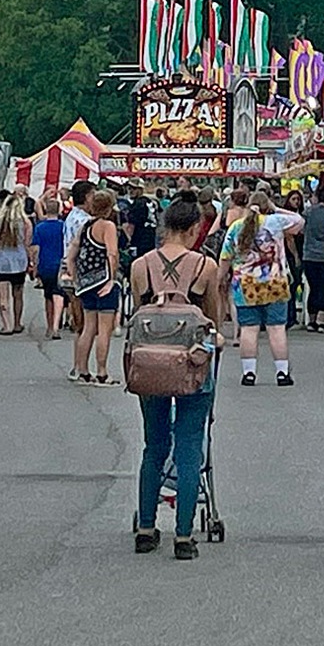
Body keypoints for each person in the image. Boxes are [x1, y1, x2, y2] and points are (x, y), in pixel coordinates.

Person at [129, 193, 226, 561]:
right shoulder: (205, 267)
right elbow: (213, 318)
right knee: (189, 445)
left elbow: (139, 311)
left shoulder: (141, 266)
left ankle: (146, 526)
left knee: (154, 446)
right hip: (192, 364)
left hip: (150, 364)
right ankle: (184, 535)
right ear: (191, 229)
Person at [221, 189, 304, 387]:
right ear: (268, 206)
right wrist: (276, 209)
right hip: (275, 284)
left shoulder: (236, 227)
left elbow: (225, 257)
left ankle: (249, 373)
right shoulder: (275, 222)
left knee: (249, 329)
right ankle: (282, 373)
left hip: (246, 286)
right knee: (277, 329)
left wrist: (220, 278)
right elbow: (299, 220)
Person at [67, 188, 124, 385]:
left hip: (86, 283)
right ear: (109, 208)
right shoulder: (108, 226)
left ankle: (82, 369)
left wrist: (75, 276)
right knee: (104, 329)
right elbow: (112, 253)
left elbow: (72, 252)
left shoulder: (85, 226)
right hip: (103, 281)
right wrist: (111, 279)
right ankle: (102, 371)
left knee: (88, 327)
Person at [0, 193, 32, 335]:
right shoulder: (25, 223)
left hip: (0, 262)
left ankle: (7, 325)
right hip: (18, 262)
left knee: (3, 296)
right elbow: (27, 244)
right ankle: (17, 323)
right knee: (18, 294)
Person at [300, 185, 324, 333]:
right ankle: (321, 321)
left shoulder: (308, 212)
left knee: (314, 288)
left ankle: (311, 320)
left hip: (309, 255)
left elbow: (301, 229)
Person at [32, 195, 69, 338]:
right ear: (59, 210)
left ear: (46, 210)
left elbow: (35, 248)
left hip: (45, 264)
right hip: (60, 264)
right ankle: (56, 325)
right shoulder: (63, 226)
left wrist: (35, 266)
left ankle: (49, 326)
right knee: (59, 293)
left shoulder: (40, 227)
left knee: (48, 296)